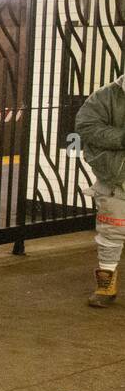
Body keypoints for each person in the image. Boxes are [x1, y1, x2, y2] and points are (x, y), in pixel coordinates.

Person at [76, 75, 125, 308]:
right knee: (110, 232)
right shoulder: (105, 96)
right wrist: (122, 138)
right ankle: (106, 286)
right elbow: (86, 126)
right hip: (116, 179)